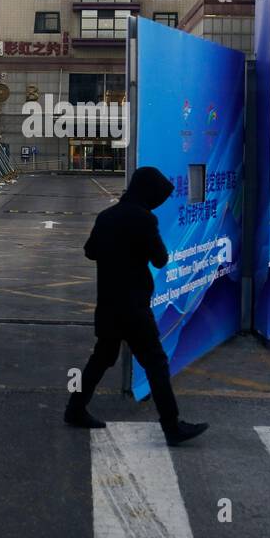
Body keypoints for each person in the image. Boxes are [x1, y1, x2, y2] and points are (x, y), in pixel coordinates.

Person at [65, 165, 209, 446]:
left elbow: (90, 250)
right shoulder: (144, 220)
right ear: (148, 193)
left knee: (102, 357)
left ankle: (75, 408)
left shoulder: (106, 216)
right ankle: (171, 426)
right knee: (155, 362)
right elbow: (160, 259)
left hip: (108, 303)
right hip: (133, 306)